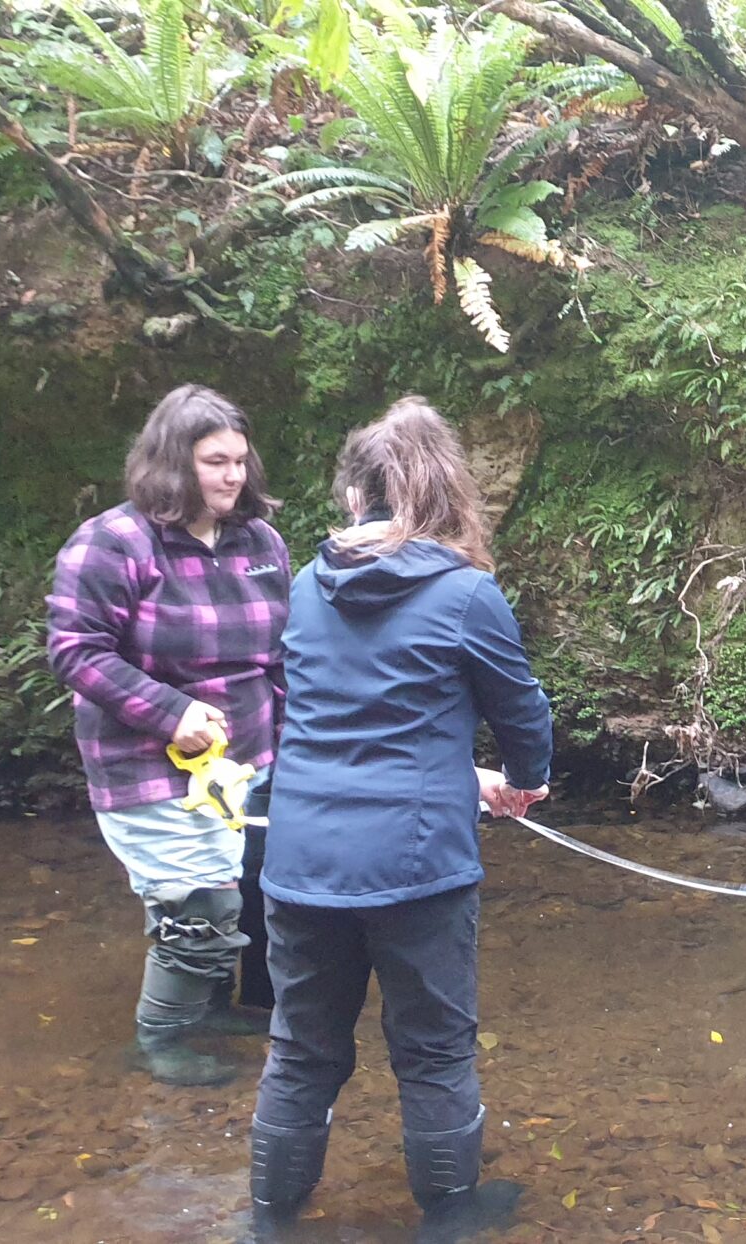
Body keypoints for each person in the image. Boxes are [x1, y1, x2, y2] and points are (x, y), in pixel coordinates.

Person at [246, 398, 554, 1244]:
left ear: (356, 494)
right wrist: (523, 782)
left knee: (302, 1052)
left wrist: (459, 772)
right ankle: (450, 1222)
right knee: (434, 1054)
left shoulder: (306, 586)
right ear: (448, 489)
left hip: (302, 856)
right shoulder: (466, 593)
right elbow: (523, 715)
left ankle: (270, 1225)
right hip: (416, 866)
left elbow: (340, 714)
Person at [46, 384, 290, 1088]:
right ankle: (160, 1042)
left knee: (241, 893)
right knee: (200, 906)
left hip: (248, 763)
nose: (233, 475)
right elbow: (76, 651)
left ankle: (209, 1014)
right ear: (172, 464)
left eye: (240, 461)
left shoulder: (261, 543)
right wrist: (170, 711)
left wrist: (295, 743)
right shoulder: (112, 543)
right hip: (145, 764)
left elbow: (282, 657)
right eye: (215, 462)